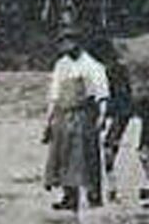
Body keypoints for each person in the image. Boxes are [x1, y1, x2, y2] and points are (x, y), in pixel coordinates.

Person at [44, 24, 110, 211]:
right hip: (63, 117)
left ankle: (94, 196)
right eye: (63, 41)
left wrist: (102, 116)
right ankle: (69, 197)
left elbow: (102, 94)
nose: (66, 45)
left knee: (87, 156)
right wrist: (49, 120)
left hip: (84, 116)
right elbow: (54, 95)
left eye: (69, 41)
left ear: (78, 43)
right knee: (64, 156)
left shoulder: (92, 65)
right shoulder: (61, 65)